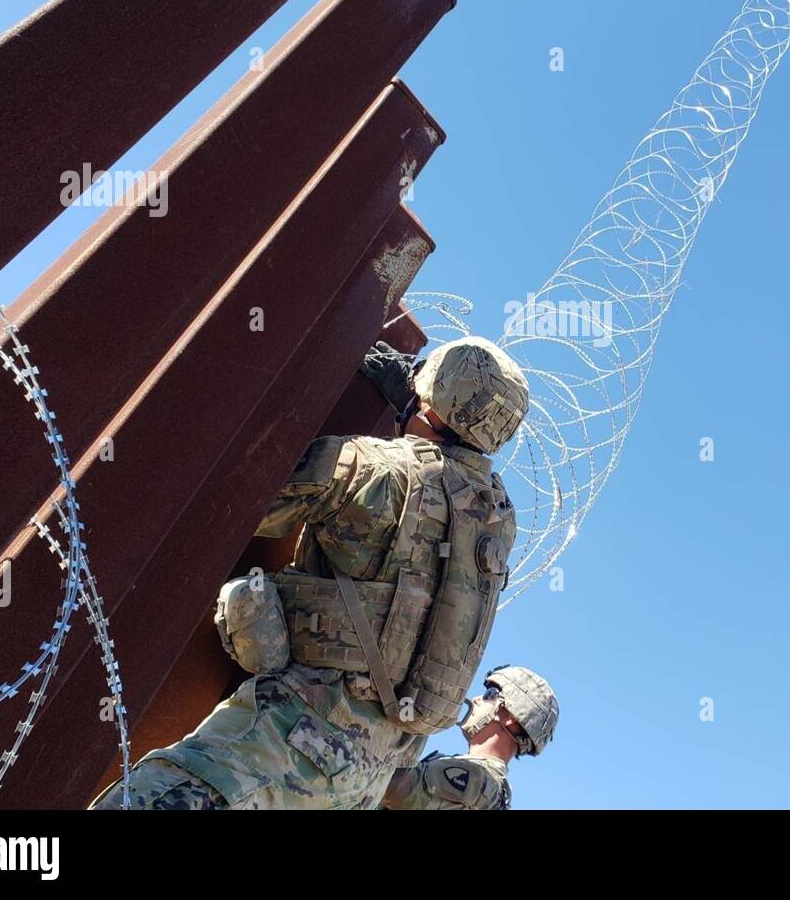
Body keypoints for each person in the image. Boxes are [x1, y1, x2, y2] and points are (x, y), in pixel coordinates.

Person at [90, 336, 529, 810]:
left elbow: (236, 504)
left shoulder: (365, 465)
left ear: (430, 394)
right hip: (365, 779)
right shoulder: (494, 522)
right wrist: (426, 403)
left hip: (281, 748)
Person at [383, 665, 559, 810]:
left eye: (489, 694)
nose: (476, 699)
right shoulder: (489, 788)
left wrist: (419, 715)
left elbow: (392, 785)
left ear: (511, 718)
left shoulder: (477, 779)